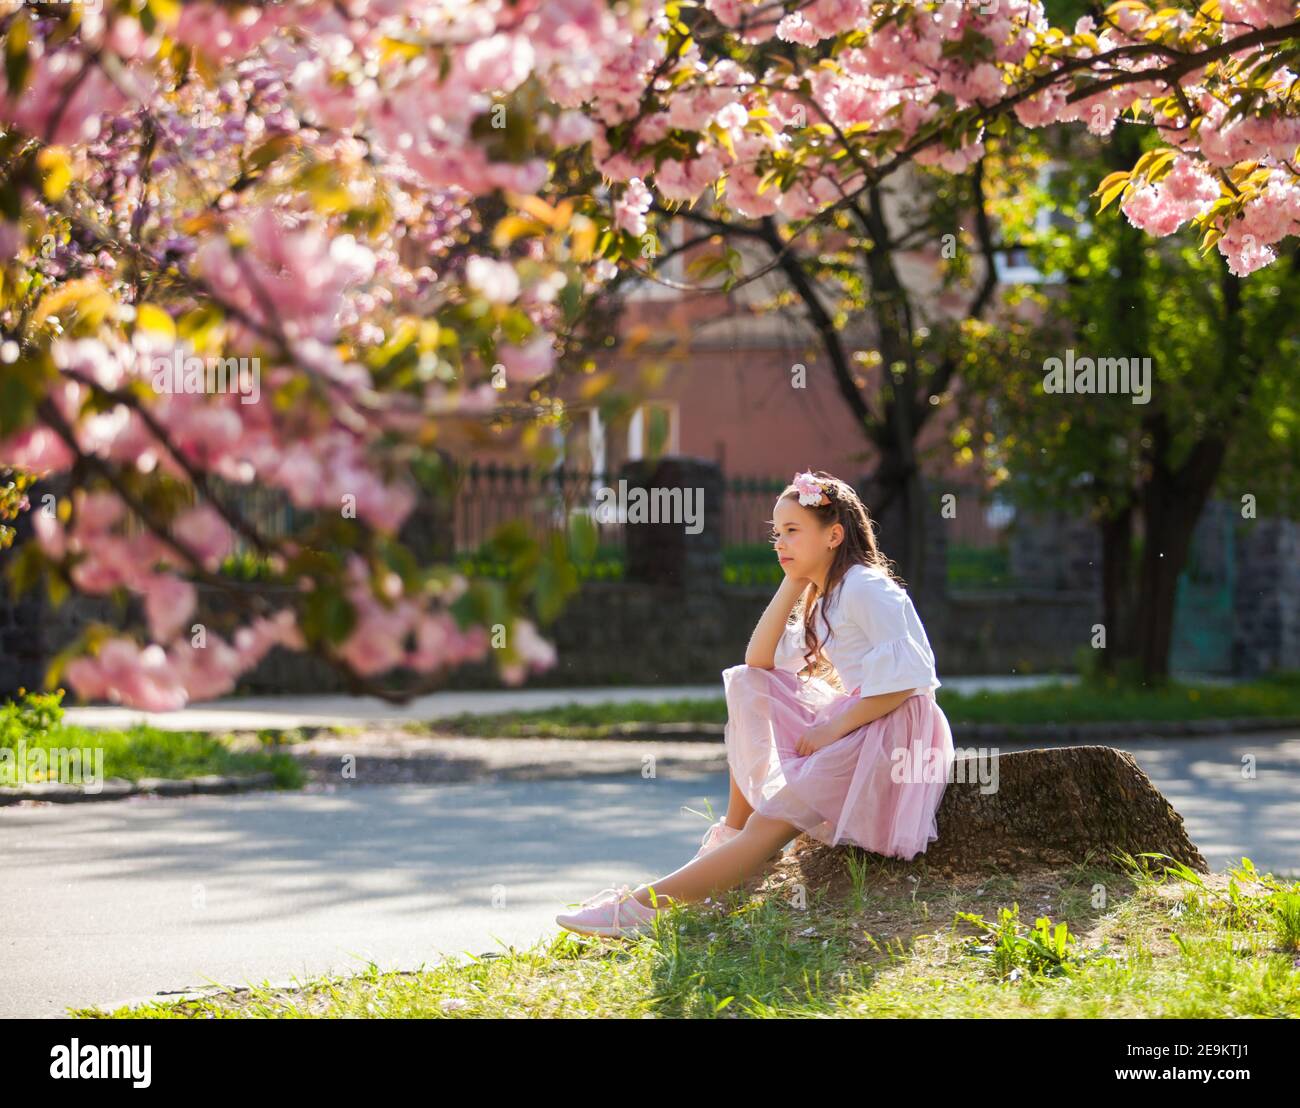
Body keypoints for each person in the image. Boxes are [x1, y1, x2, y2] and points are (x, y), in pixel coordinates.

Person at [555, 469, 954, 938]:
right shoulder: (824, 594)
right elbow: (757, 661)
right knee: (749, 684)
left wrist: (831, 730)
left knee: (774, 819)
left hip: (894, 729)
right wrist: (793, 583)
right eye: (776, 533)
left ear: (834, 535)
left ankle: (637, 911)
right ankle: (731, 837)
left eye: (792, 531)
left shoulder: (866, 586)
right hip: (860, 718)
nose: (779, 542)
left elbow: (911, 679)